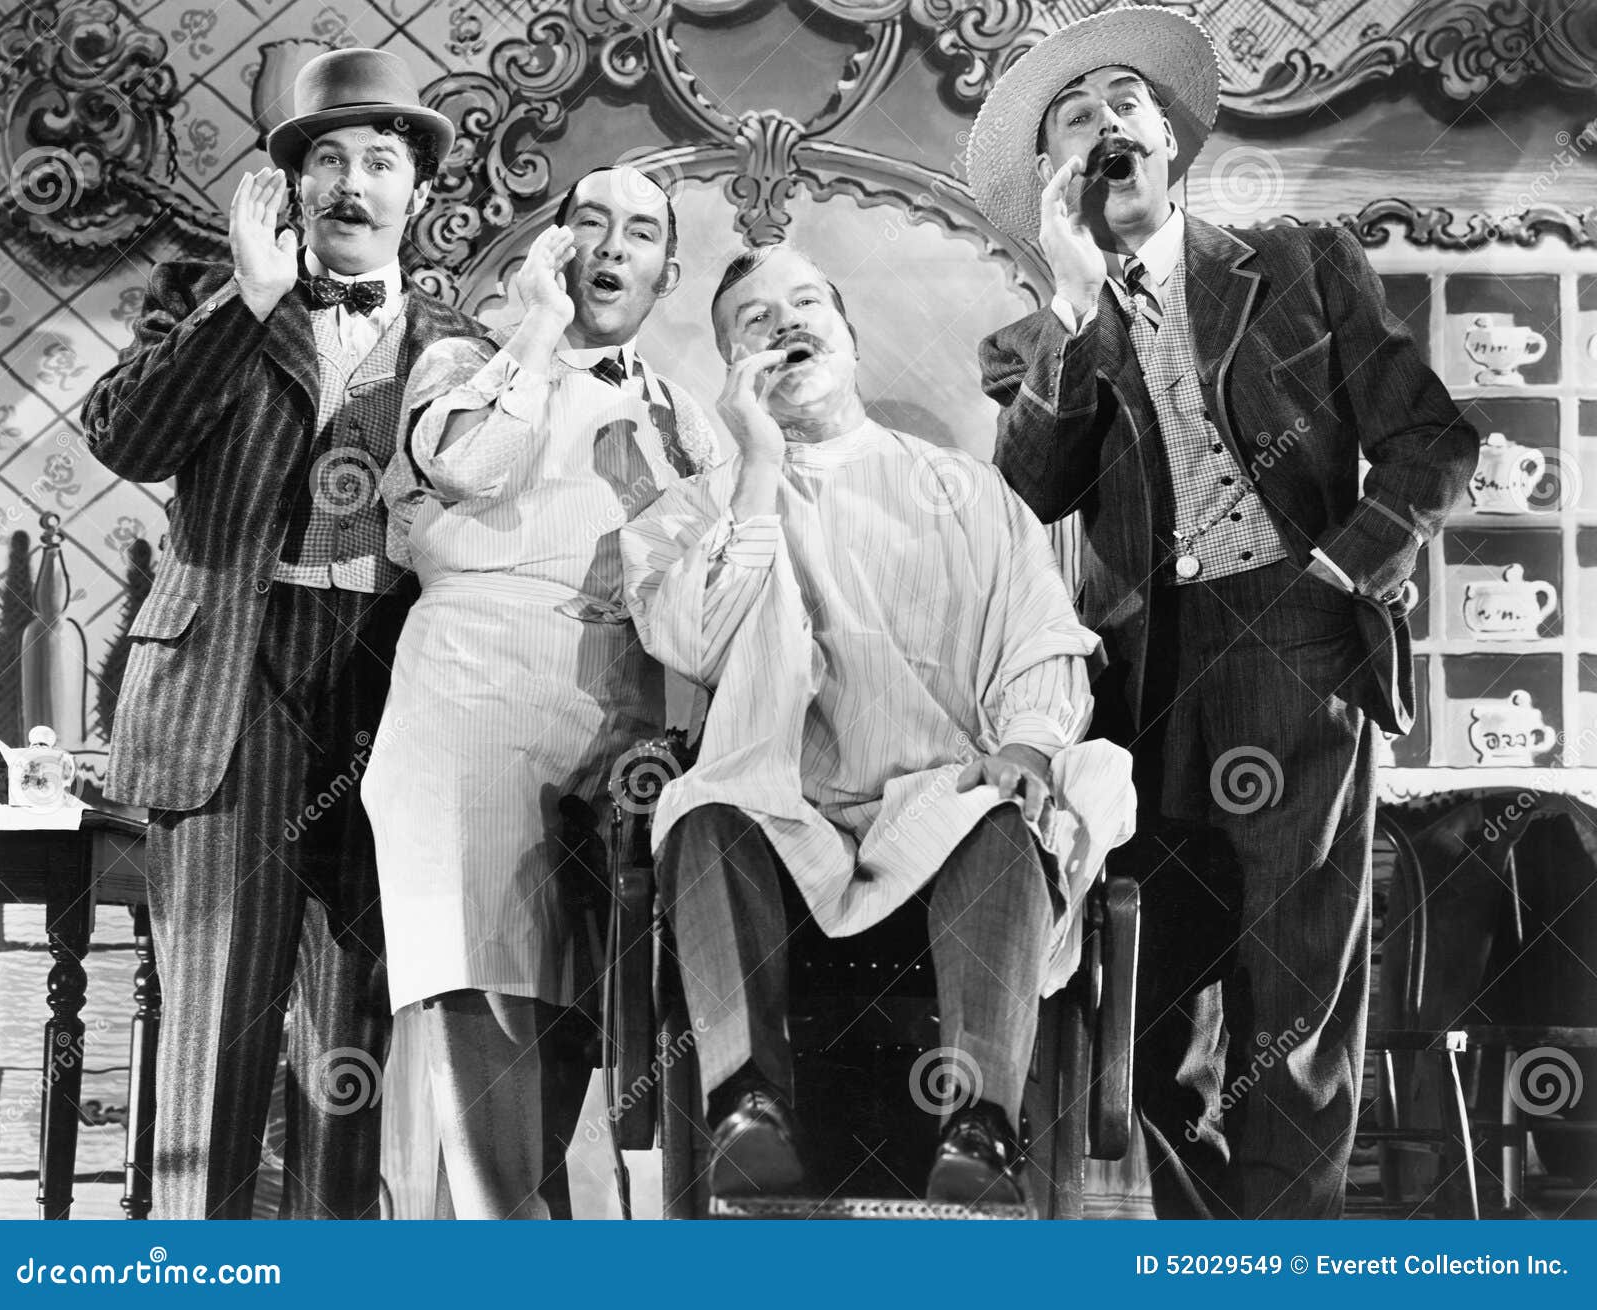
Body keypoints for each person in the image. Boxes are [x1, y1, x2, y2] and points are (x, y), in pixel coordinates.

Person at [966, 6, 1477, 1217]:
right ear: (1056, 181)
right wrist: (1078, 303)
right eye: (1073, 120)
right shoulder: (1033, 344)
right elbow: (1032, 486)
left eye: (1121, 105)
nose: (1102, 127)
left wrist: (1348, 567)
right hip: (1142, 680)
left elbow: (1430, 440)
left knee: (1295, 1004)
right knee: (1150, 1013)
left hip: (1299, 644)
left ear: (1171, 138)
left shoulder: (1301, 265)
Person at [620, 245, 1133, 1206]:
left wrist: (1023, 743)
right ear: (731, 368)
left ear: (850, 340)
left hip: (936, 810)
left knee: (1000, 812)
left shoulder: (966, 491)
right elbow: (695, 638)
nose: (787, 325)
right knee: (702, 813)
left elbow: (1037, 637)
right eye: (755, 322)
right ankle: (747, 1107)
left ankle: (980, 1123)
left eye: (807, 302)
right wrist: (759, 469)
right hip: (781, 817)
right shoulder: (693, 512)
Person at [82, 48, 482, 1217]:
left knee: (343, 1048)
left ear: (416, 192)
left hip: (385, 687)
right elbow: (126, 439)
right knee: (216, 1028)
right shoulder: (211, 302)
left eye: (378, 161)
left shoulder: (465, 349)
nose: (352, 185)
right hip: (232, 678)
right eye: (328, 163)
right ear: (290, 190)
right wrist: (248, 298)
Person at [361, 165, 718, 1219]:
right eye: (589, 224)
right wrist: (535, 329)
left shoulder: (681, 415)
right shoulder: (469, 361)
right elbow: (472, 468)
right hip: (471, 703)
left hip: (616, 737)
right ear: (554, 249)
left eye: (640, 232)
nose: (612, 246)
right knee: (482, 999)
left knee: (572, 1021)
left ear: (666, 272)